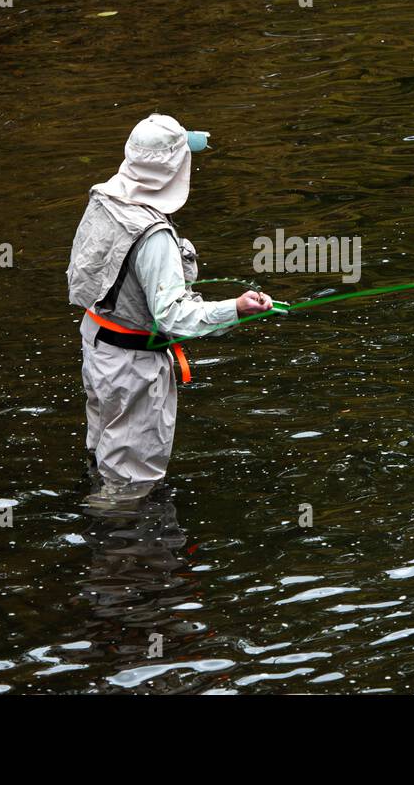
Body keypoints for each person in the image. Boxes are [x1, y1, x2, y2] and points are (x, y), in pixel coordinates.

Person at [67, 114, 272, 507]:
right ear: (173, 170)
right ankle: (126, 555)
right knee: (132, 484)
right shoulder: (154, 236)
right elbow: (174, 318)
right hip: (133, 368)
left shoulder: (106, 199)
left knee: (104, 454)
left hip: (98, 345)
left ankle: (98, 523)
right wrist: (236, 308)